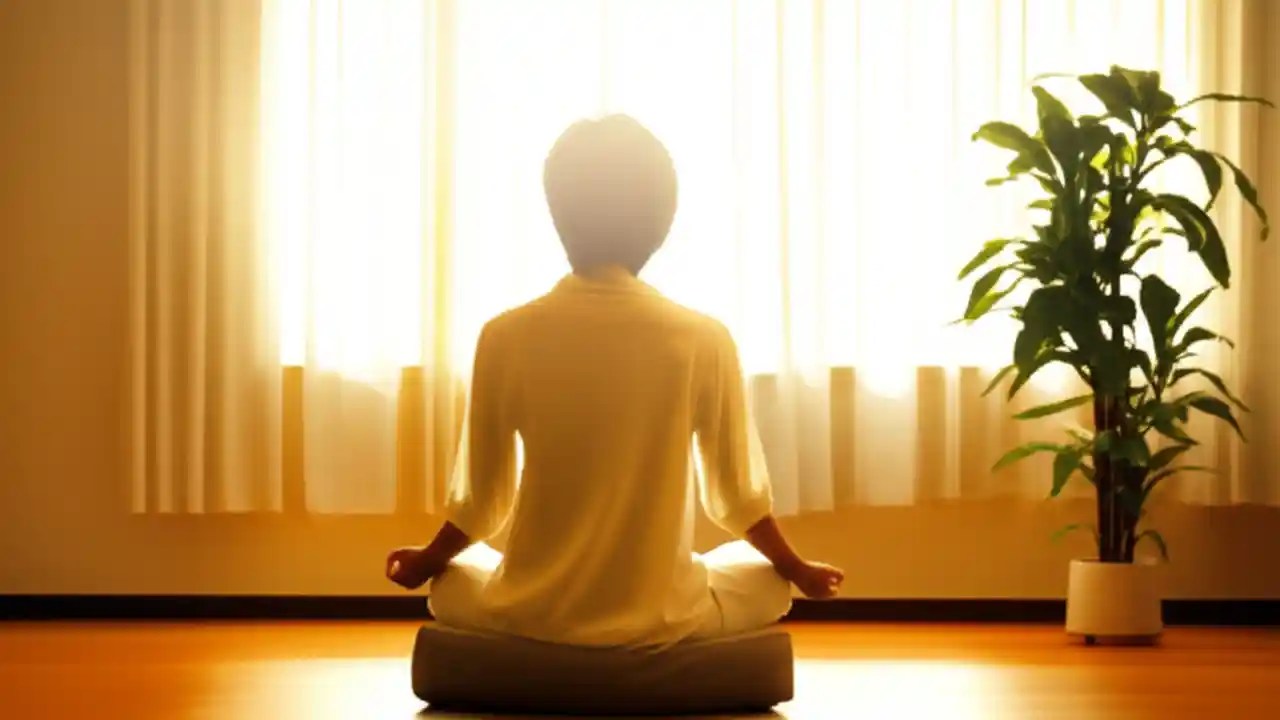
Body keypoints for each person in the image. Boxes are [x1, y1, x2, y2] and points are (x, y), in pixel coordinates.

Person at [386, 114, 844, 648]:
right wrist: (799, 569)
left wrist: (425, 562)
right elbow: (738, 500)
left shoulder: (505, 335)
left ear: (558, 214)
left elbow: (483, 503)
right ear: (662, 222)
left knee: (452, 586)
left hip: (532, 613)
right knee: (767, 583)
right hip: (664, 618)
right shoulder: (701, 338)